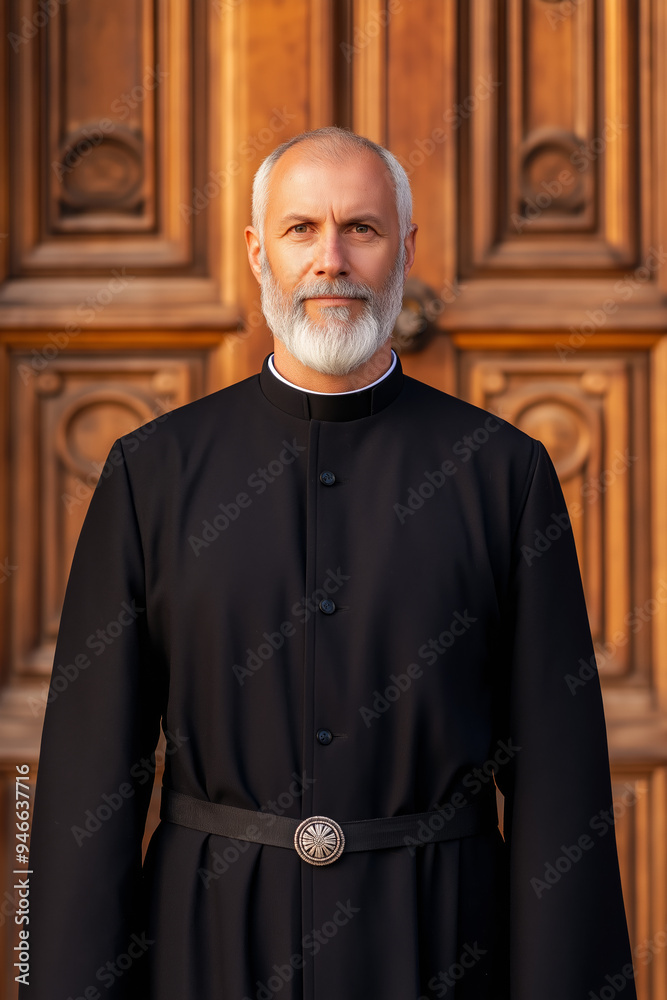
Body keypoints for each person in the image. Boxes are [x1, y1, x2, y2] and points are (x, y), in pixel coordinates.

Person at [21, 127, 636, 1000]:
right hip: (208, 944)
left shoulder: (502, 473)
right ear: (257, 251)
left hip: (441, 942)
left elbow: (558, 779)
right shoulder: (151, 472)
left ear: (405, 251)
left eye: (363, 229)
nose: (331, 259)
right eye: (301, 229)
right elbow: (91, 774)